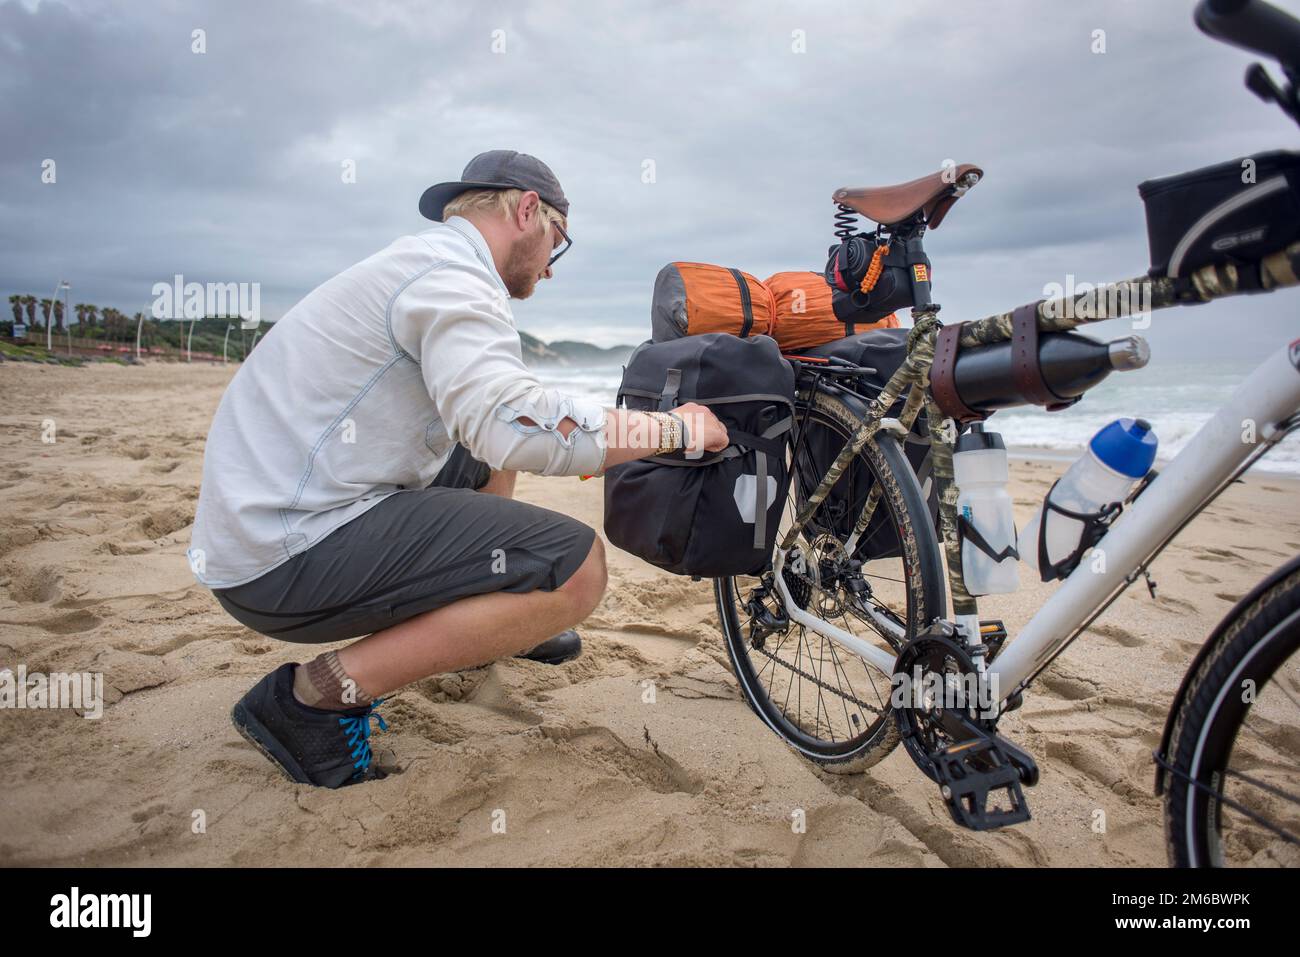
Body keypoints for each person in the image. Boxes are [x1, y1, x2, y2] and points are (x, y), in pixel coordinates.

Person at [187, 149, 728, 788]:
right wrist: (672, 429)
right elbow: (514, 423)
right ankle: (312, 701)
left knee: (474, 451)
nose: (551, 270)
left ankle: (501, 615)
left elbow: (488, 423)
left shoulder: (424, 261)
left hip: (277, 514)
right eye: (558, 241)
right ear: (529, 210)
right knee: (578, 569)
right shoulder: (451, 277)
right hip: (279, 557)